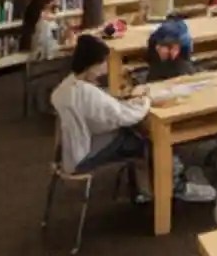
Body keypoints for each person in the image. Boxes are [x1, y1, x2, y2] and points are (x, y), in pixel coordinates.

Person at [51, 35, 152, 200]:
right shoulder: (87, 93)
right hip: (83, 157)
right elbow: (125, 116)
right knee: (140, 141)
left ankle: (141, 191)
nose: (105, 68)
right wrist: (144, 100)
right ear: (91, 65)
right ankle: (149, 193)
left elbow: (99, 108)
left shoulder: (64, 87)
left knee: (126, 134)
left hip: (68, 153)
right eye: (102, 63)